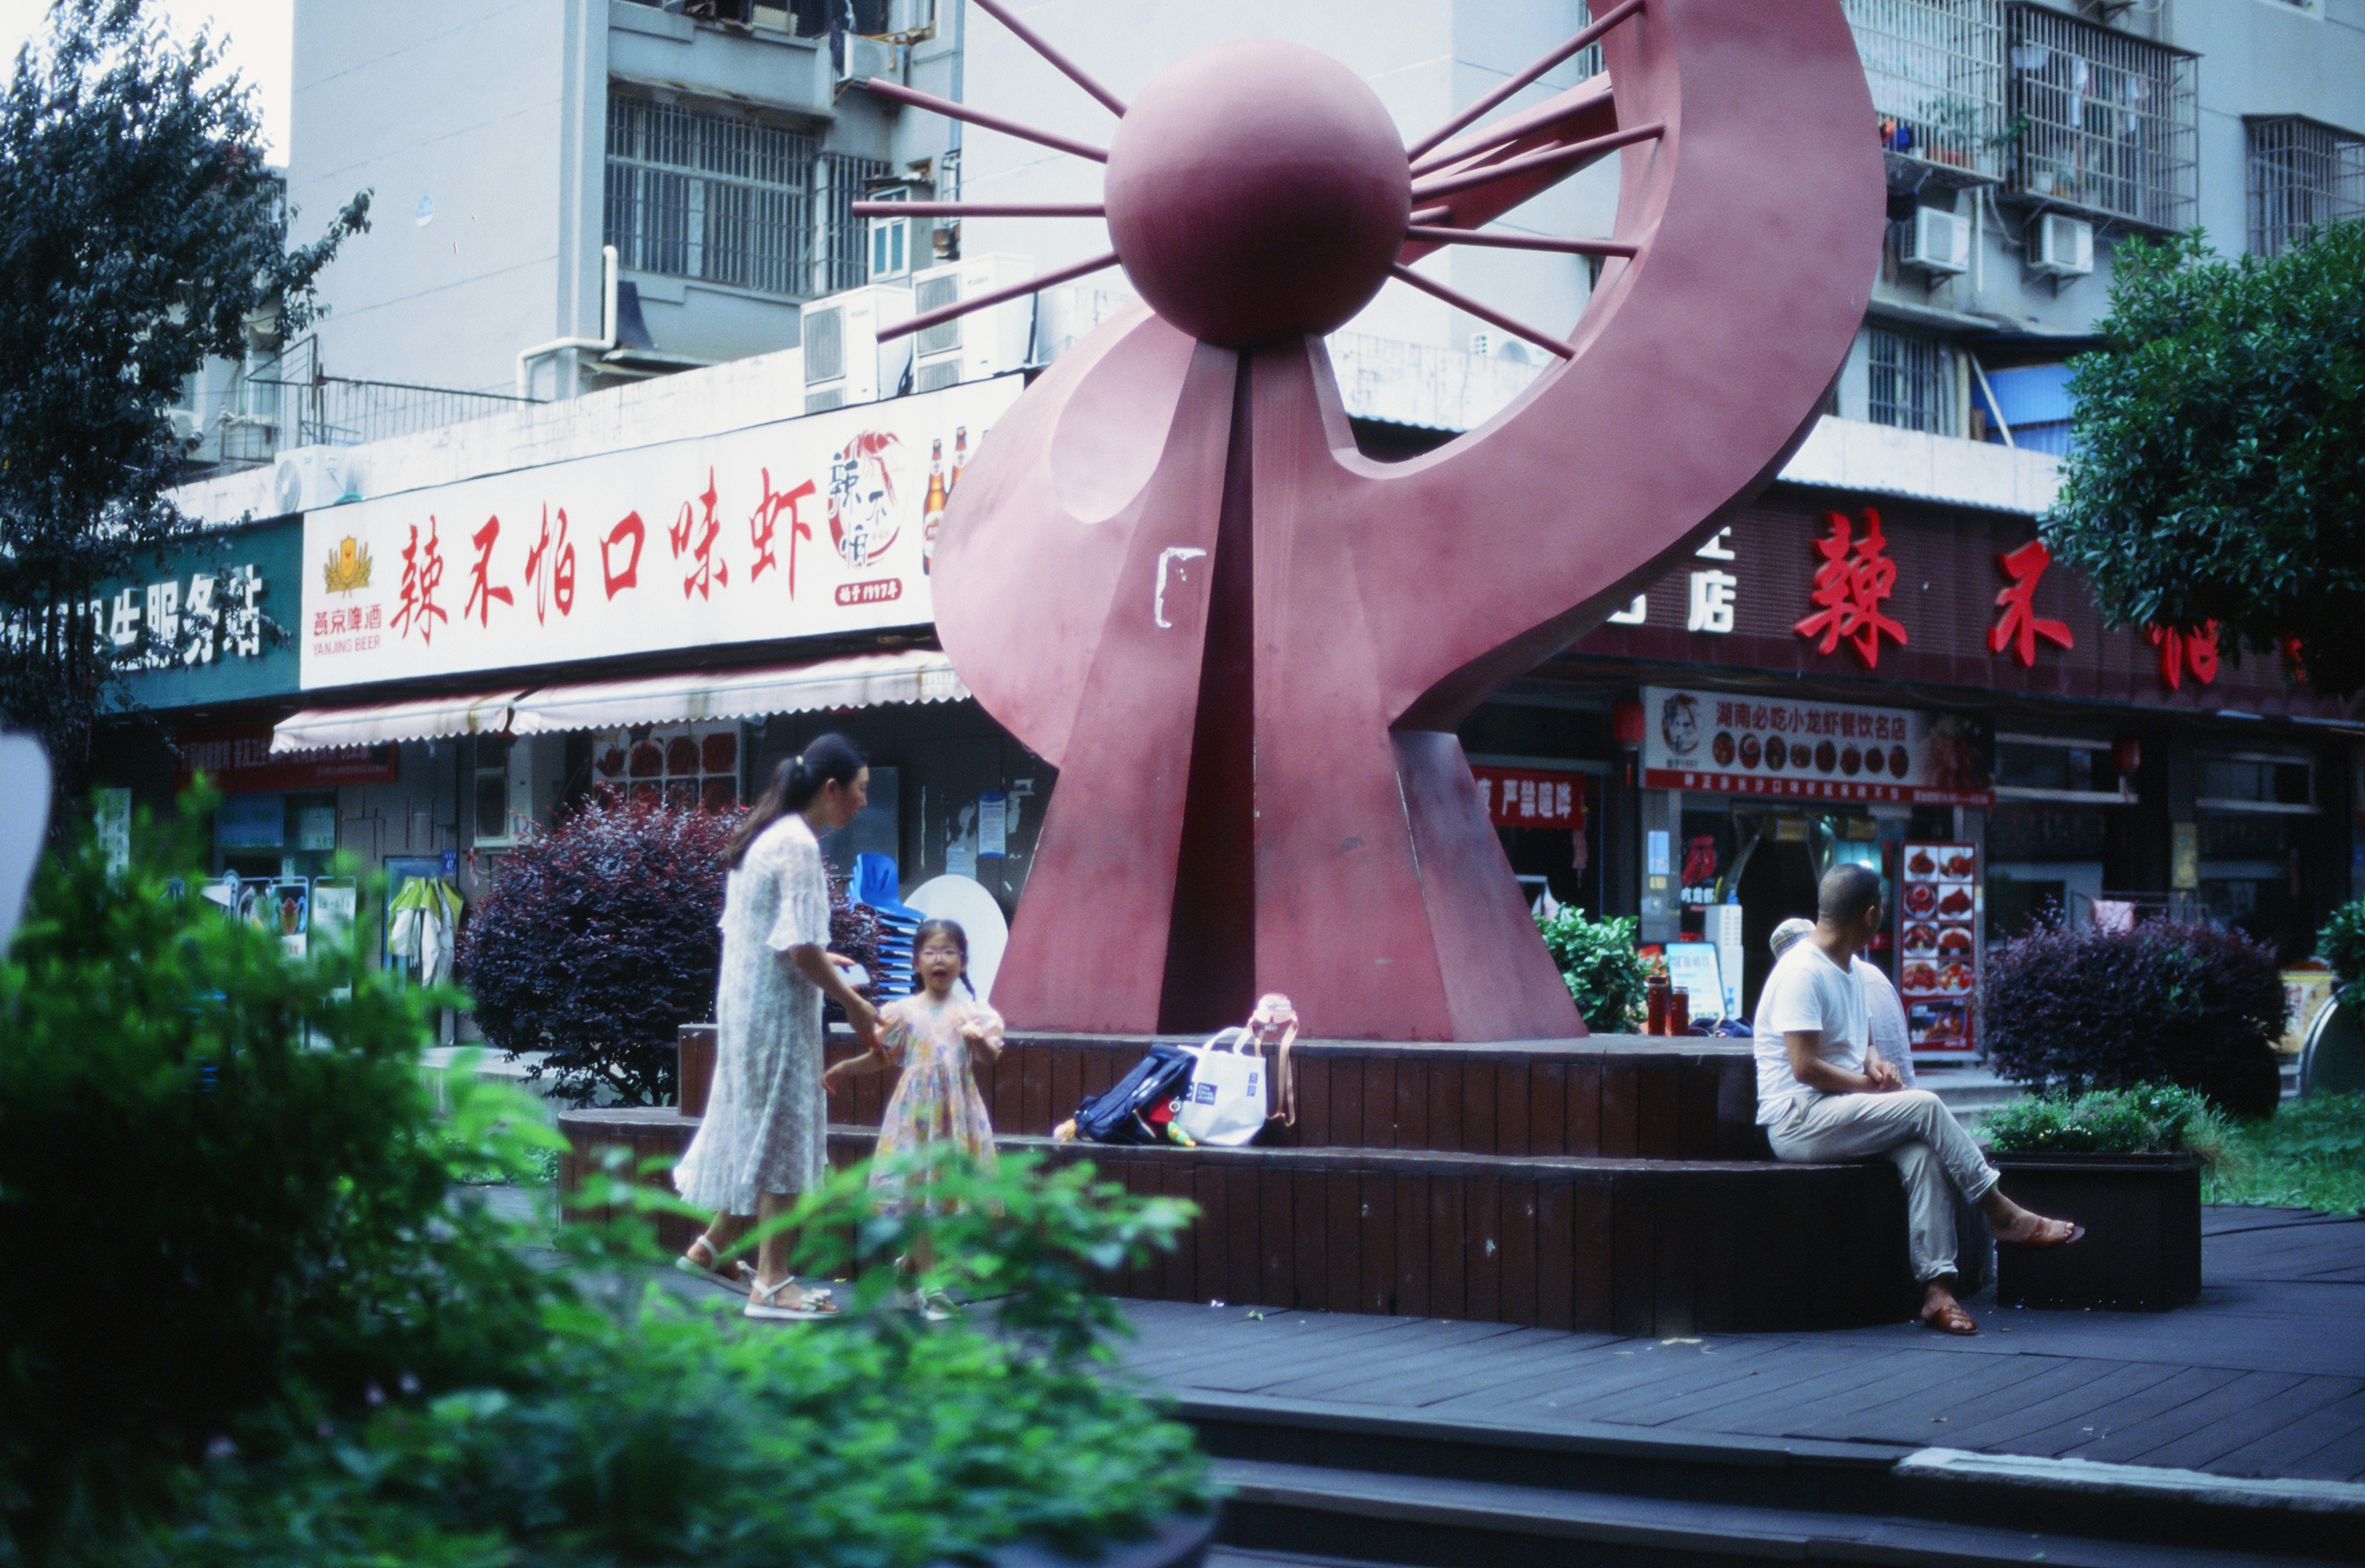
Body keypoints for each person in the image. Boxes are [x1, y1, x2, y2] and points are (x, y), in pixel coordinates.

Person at [1755, 866, 2082, 1335]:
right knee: (1924, 1105)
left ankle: (1938, 1290)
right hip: (1798, 1120)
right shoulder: (1801, 971)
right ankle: (2001, 1212)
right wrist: (1870, 1087)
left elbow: (1859, 1040)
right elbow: (1803, 1066)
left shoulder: (1846, 967)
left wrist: (1874, 1064)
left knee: (1924, 1154)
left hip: (1838, 1112)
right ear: (1871, 915)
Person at [674, 733, 879, 1321]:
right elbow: (795, 945)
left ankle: (710, 1247)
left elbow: (776, 934)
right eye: (861, 790)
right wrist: (856, 1004)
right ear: (832, 788)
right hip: (777, 1018)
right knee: (780, 1139)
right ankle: (771, 1280)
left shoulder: (770, 835)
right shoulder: (798, 845)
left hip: (746, 1010)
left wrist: (823, 956)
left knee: (757, 1130)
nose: (864, 803)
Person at [824, 918, 1004, 1317]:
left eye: (949, 952)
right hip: (916, 1117)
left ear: (964, 961)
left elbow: (992, 1057)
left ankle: (909, 1268)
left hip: (957, 1115)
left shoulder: (975, 1013)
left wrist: (980, 1041)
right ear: (916, 962)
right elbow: (881, 1055)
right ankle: (932, 1286)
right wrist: (844, 1069)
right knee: (920, 1198)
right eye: (932, 952)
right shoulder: (903, 1012)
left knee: (945, 1199)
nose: (940, 959)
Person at [1768, 916, 1915, 1088]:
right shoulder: (1863, 970)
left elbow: (1808, 1068)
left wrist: (1871, 1087)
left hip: (1868, 1090)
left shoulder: (1811, 976)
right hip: (1898, 1084)